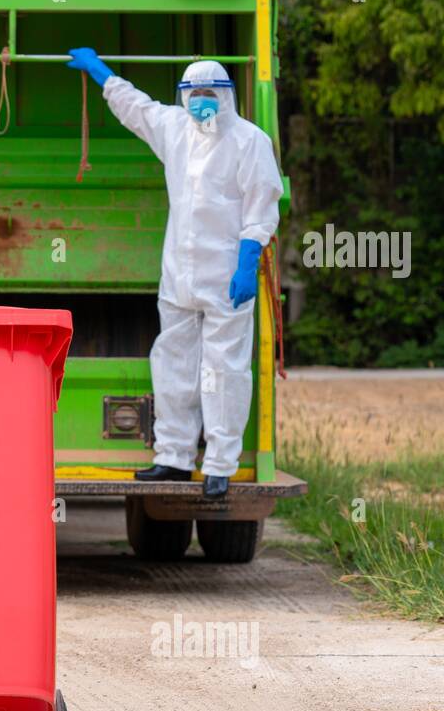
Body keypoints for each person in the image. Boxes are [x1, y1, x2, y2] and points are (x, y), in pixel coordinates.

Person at [66, 49, 283, 499]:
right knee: (173, 368)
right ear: (183, 96)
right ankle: (174, 459)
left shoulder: (249, 140)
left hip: (228, 280)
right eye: (193, 92)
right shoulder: (175, 130)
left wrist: (246, 265)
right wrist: (101, 73)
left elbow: (261, 210)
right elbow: (136, 107)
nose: (201, 100)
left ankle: (220, 465)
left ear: (227, 96)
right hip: (180, 278)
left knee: (224, 371)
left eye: (210, 93)